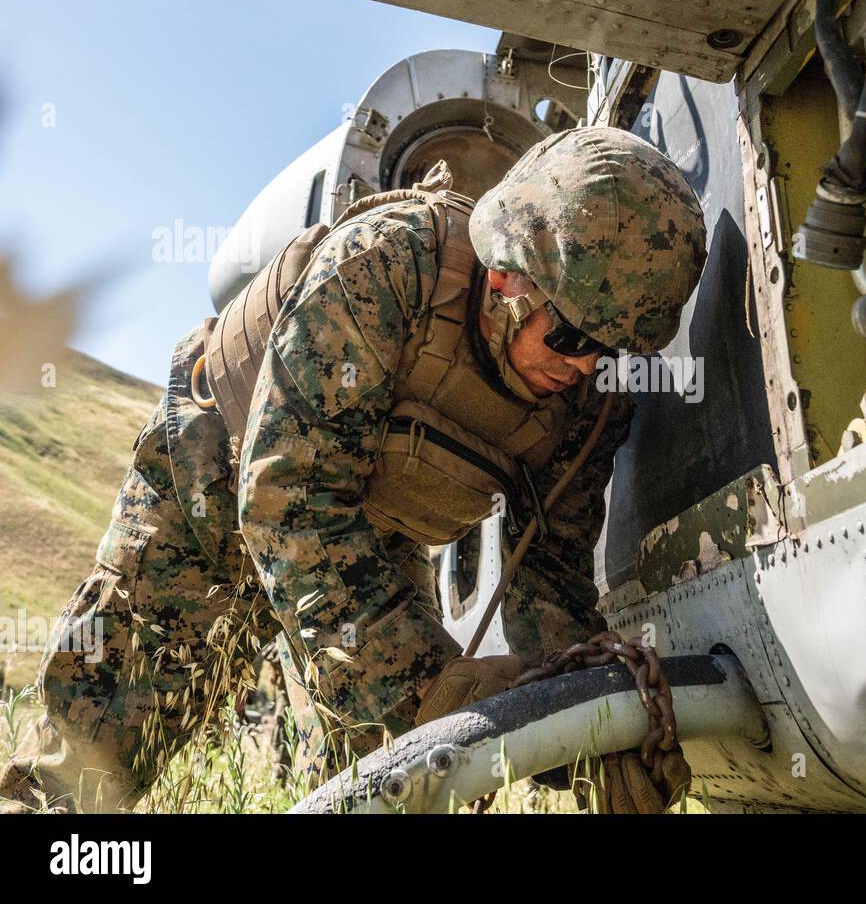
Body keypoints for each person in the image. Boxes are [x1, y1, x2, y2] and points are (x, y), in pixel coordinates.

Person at [0, 126, 706, 813]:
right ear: (506, 276)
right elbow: (289, 500)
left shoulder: (587, 397)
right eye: (574, 334)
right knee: (94, 754)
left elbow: (547, 576)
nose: (585, 364)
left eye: (611, 346)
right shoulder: (387, 264)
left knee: (392, 773)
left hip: (370, 533)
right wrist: (427, 687)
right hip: (214, 478)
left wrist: (586, 731)